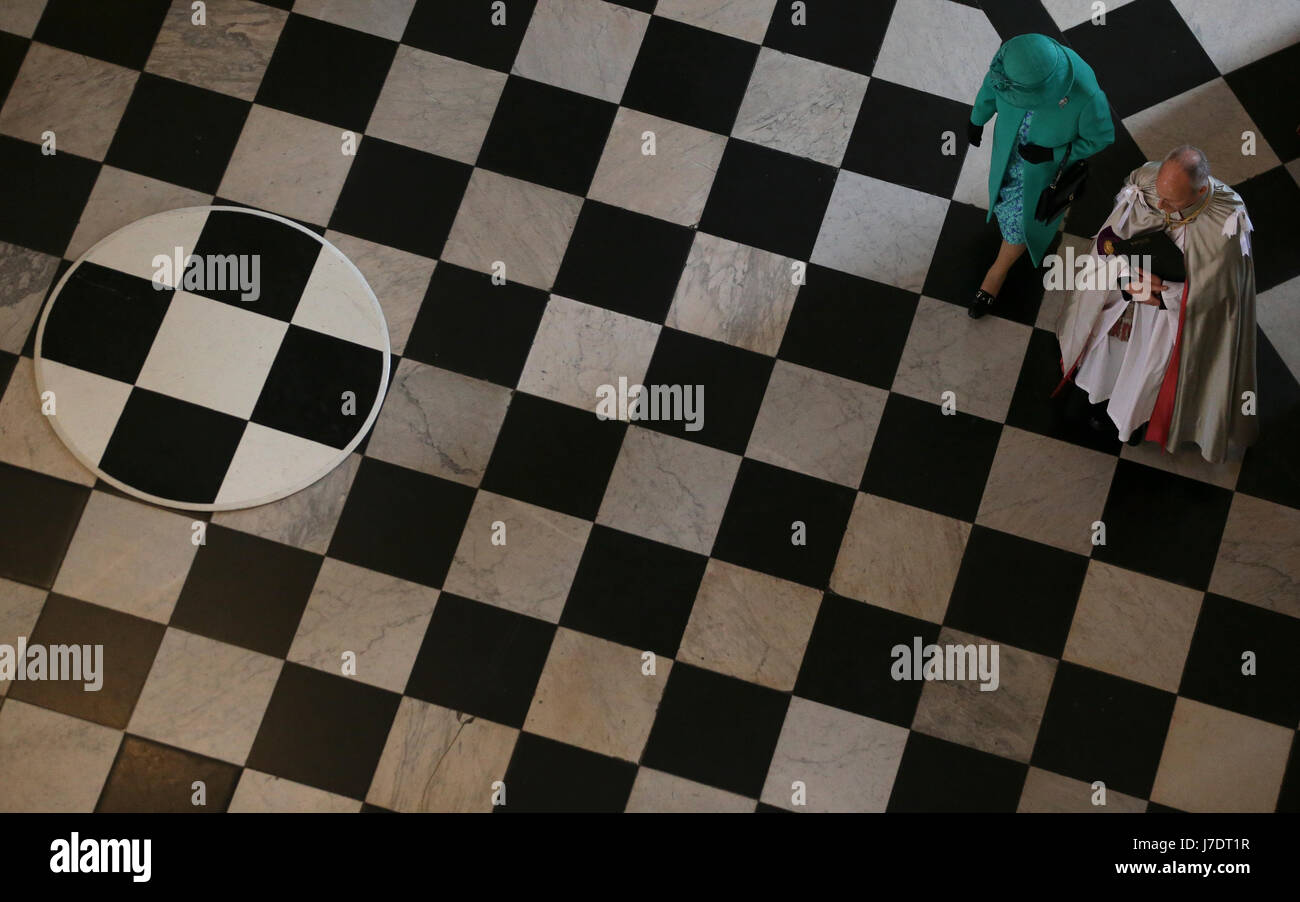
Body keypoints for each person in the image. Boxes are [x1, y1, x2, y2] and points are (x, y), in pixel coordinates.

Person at [1055, 146, 1258, 462]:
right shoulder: (1147, 182)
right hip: (1123, 298)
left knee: (1145, 368)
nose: (1159, 204)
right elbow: (1111, 238)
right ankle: (1094, 393)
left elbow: (1216, 294)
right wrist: (1124, 279)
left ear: (1201, 190)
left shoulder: (1226, 222)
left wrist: (1166, 294)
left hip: (1165, 319)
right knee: (1105, 351)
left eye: (1171, 200)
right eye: (1158, 194)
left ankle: (1128, 422)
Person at [967, 33, 1114, 318]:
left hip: (1041, 176)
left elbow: (1102, 137)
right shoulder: (1014, 64)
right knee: (999, 197)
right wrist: (977, 118)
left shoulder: (1086, 95)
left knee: (1021, 225)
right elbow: (991, 87)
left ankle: (997, 272)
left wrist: (1054, 154)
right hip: (1008, 157)